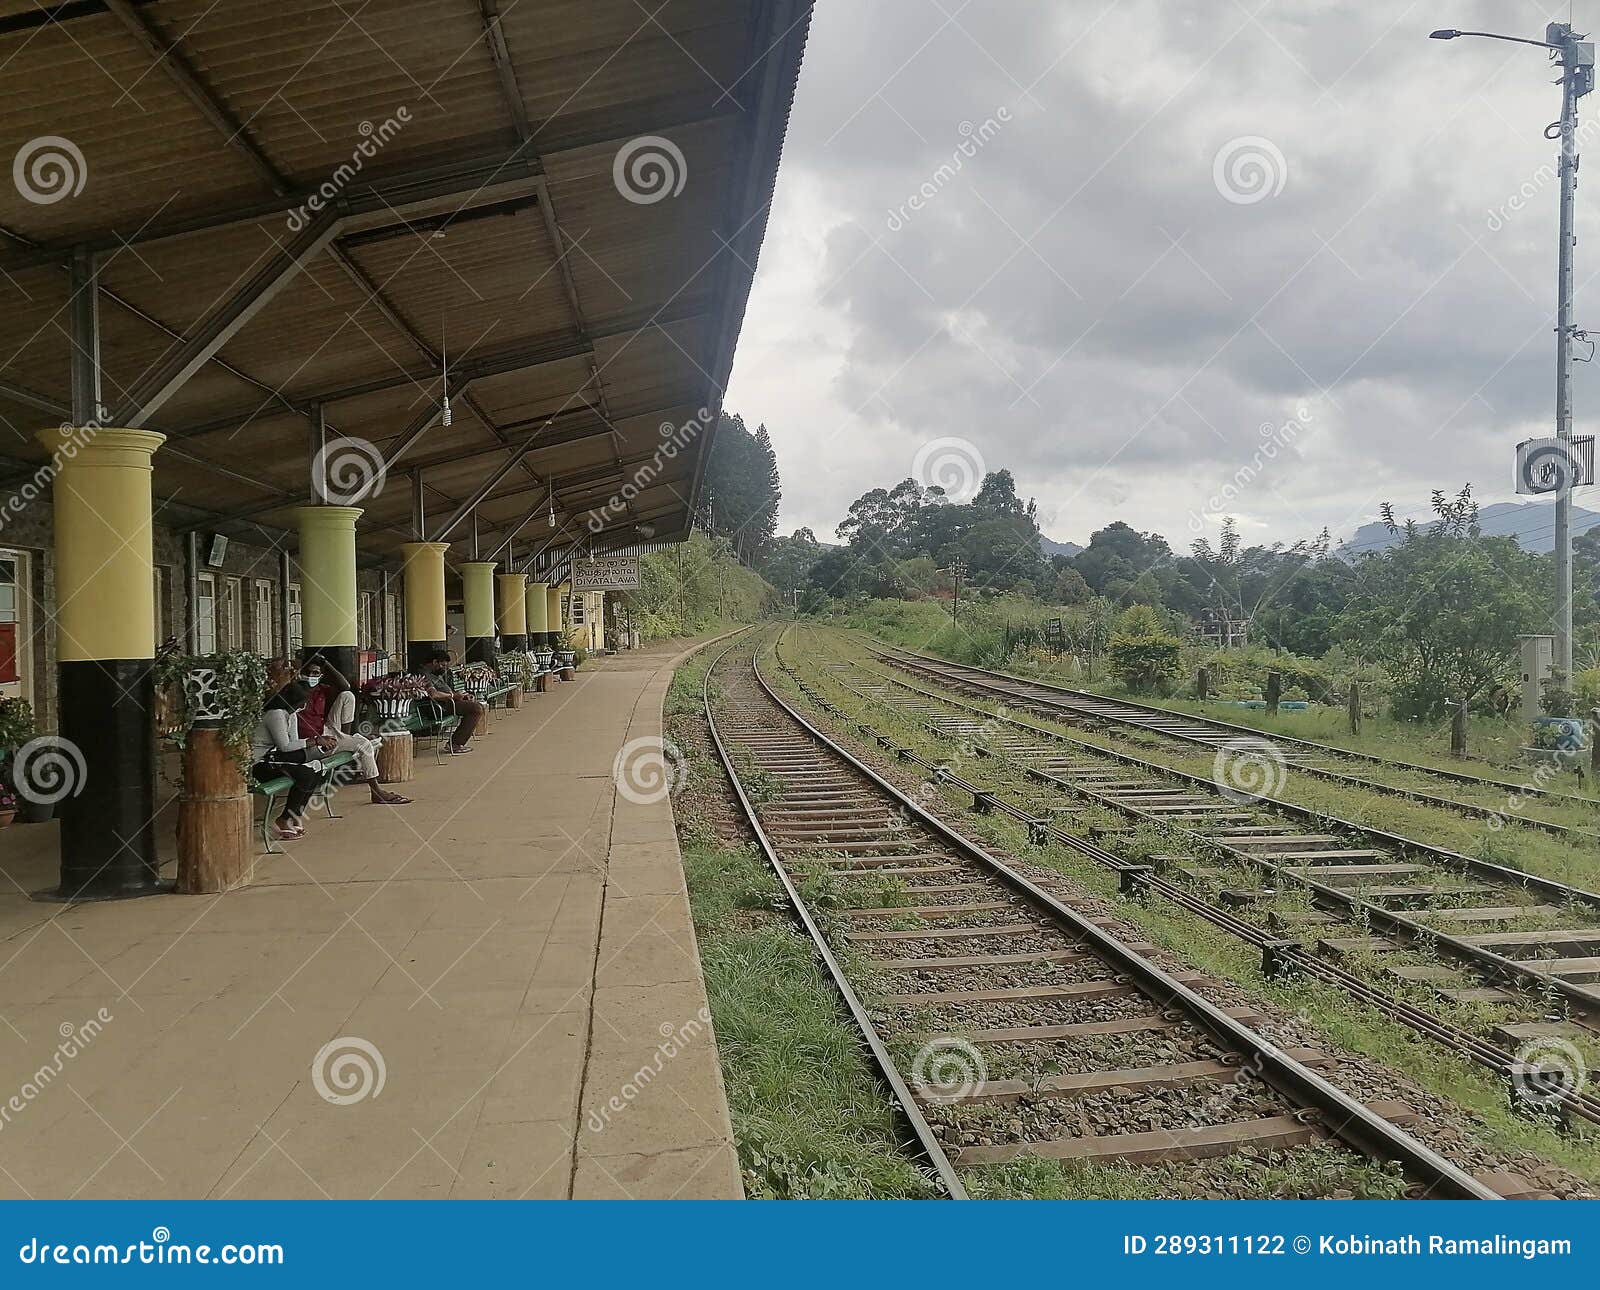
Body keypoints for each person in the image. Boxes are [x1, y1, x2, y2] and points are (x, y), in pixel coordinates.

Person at [296, 656, 410, 806]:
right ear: (301, 674)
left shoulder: (320, 689)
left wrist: (325, 663)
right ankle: (376, 791)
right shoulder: (295, 691)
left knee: (347, 696)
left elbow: (345, 686)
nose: (312, 676)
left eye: (316, 673)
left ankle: (347, 737)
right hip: (312, 742)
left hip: (326, 730)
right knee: (364, 745)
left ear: (321, 676)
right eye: (309, 673)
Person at [250, 681, 327, 841]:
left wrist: (311, 740)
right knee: (306, 774)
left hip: (273, 758)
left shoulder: (288, 714)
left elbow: (294, 741)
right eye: (301, 703)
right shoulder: (275, 714)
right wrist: (314, 741)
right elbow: (285, 746)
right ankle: (284, 818)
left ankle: (295, 815)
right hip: (259, 764)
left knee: (318, 771)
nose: (303, 707)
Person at [414, 649, 484, 754]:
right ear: (435, 662)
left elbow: (445, 692)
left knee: (476, 706)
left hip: (447, 703)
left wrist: (462, 696)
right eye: (442, 665)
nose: (444, 668)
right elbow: (433, 694)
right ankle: (455, 744)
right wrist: (453, 696)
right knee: (476, 709)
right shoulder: (424, 675)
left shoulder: (434, 674)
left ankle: (456, 742)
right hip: (437, 707)